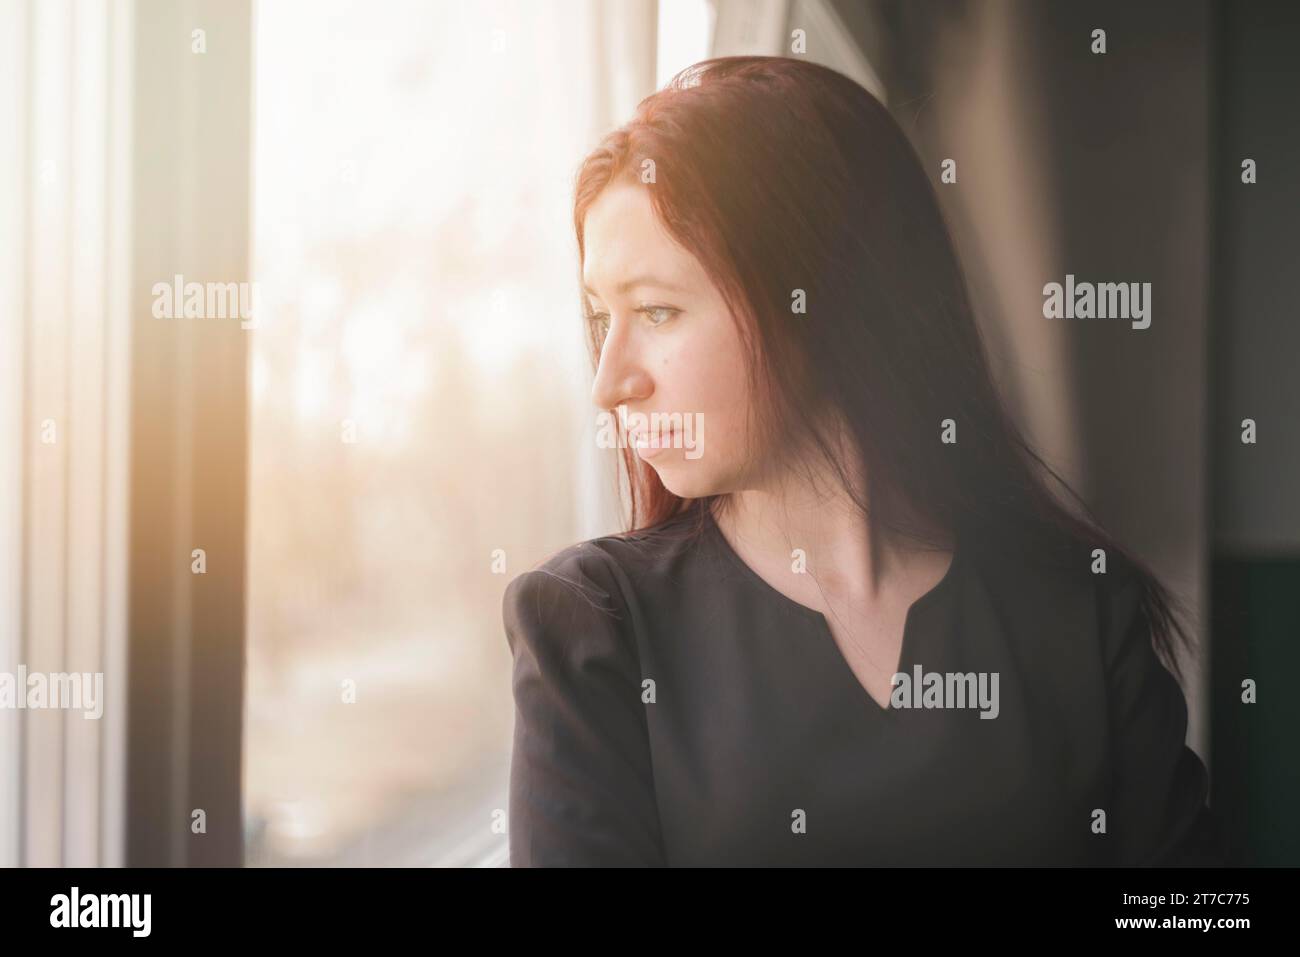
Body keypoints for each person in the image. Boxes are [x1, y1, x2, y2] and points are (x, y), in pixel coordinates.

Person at [503, 55, 1224, 866]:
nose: (611, 382)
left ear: (821, 301)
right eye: (605, 318)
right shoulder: (590, 629)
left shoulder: (1084, 609)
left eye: (659, 310)